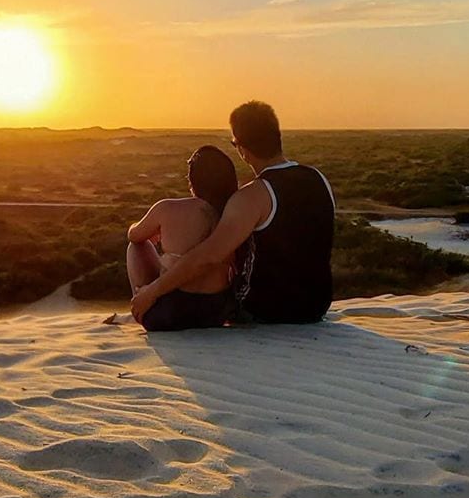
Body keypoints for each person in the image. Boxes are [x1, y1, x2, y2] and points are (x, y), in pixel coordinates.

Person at [131, 100, 335, 327]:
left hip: (265, 310)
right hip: (315, 308)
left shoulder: (253, 196)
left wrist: (152, 292)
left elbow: (208, 257)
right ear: (277, 136)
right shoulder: (319, 179)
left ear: (242, 150)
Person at [126, 144, 238, 331]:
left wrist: (153, 229)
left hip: (167, 314)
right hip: (215, 313)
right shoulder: (234, 213)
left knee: (136, 246)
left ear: (192, 180)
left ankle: (140, 303)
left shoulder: (167, 208)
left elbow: (134, 235)